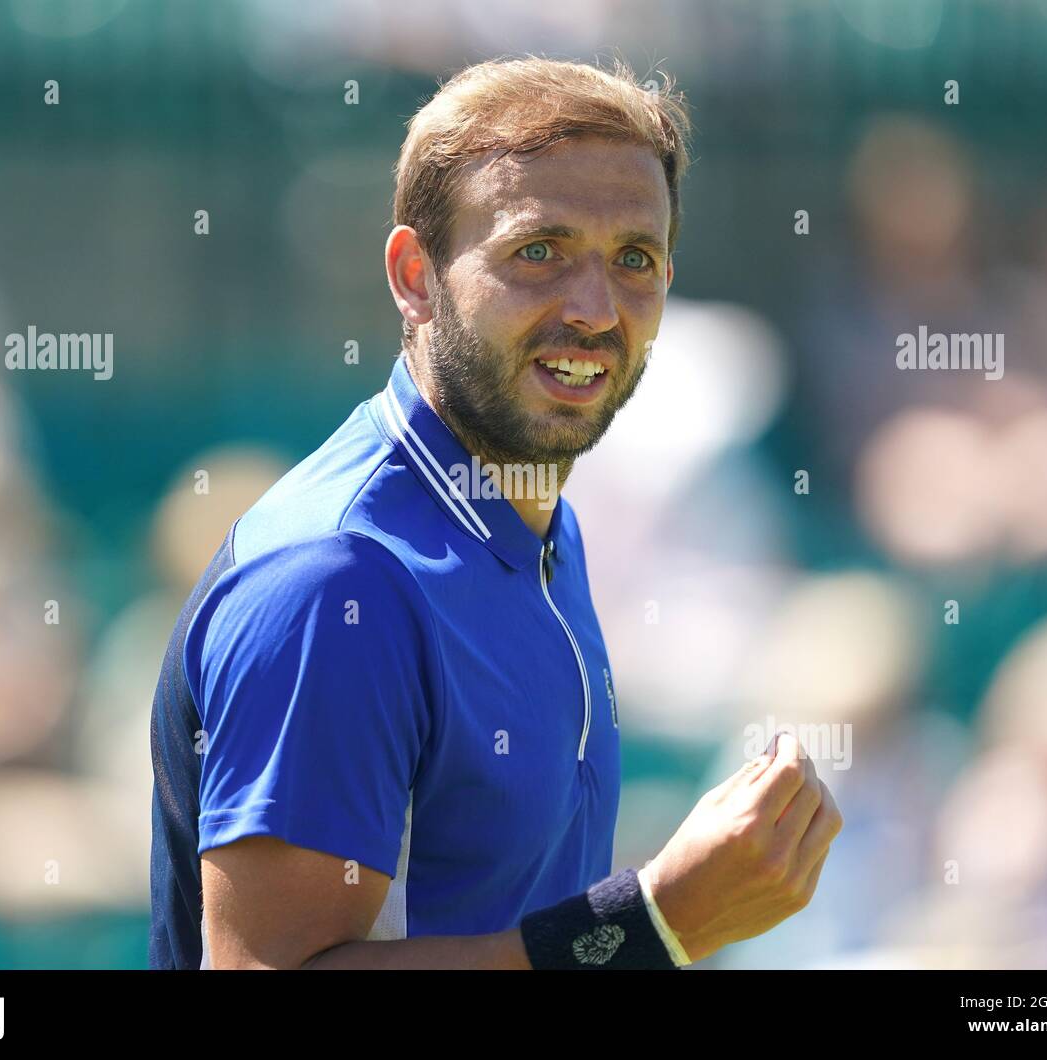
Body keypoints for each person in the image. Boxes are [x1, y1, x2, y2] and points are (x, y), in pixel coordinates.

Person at [149, 55, 842, 970]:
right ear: (415, 277)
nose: (595, 310)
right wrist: (660, 922)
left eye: (634, 259)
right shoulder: (338, 581)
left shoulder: (543, 526)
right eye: (539, 251)